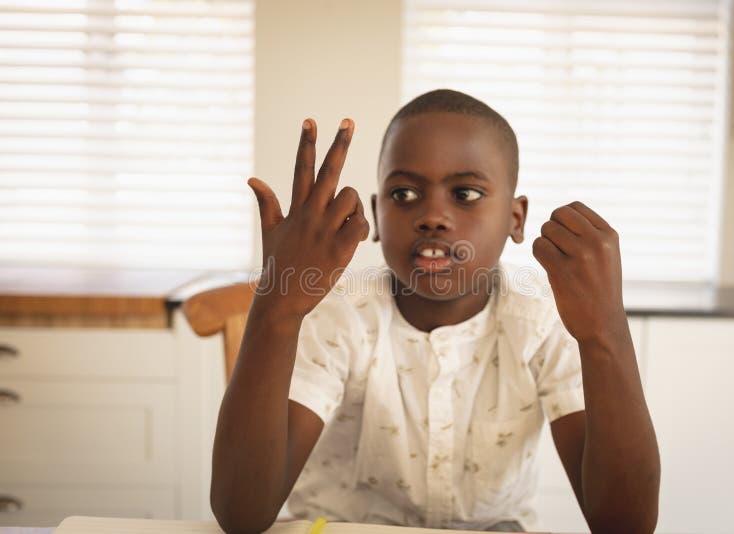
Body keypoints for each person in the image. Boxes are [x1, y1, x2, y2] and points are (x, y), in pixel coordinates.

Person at [210, 89, 660, 533]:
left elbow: (624, 525)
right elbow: (242, 514)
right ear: (377, 216)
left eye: (465, 193)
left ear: (515, 218)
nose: (432, 217)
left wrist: (606, 332)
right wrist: (277, 307)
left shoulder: (545, 320)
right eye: (404, 194)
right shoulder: (338, 314)